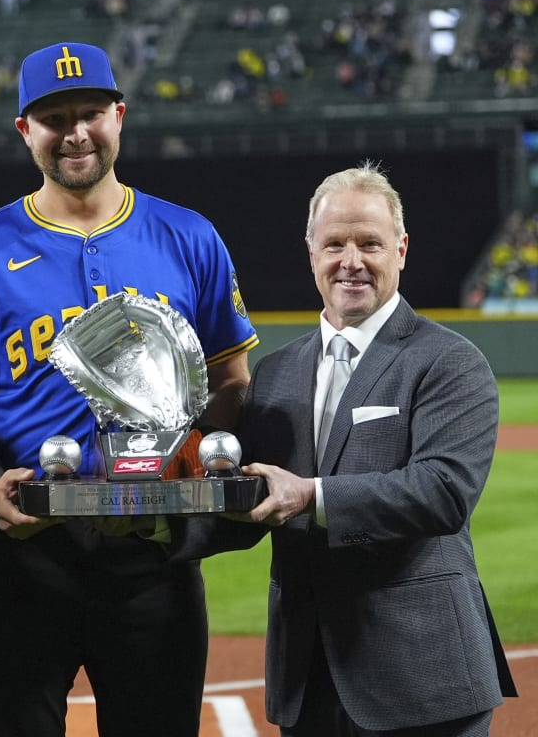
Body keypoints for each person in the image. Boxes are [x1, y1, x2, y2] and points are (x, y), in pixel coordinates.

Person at [0, 41, 258, 736]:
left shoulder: (188, 237)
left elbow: (232, 378)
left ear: (119, 115)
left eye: (91, 113)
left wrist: (187, 473)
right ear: (25, 130)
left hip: (151, 549)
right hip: (19, 552)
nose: (75, 132)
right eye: (54, 117)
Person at [181, 164, 517, 736]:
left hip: (422, 678)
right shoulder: (276, 373)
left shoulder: (449, 360)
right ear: (311, 252)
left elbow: (442, 493)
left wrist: (310, 495)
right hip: (307, 679)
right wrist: (151, 519)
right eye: (334, 243)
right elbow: (251, 506)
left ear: (401, 250)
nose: (351, 261)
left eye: (370, 243)